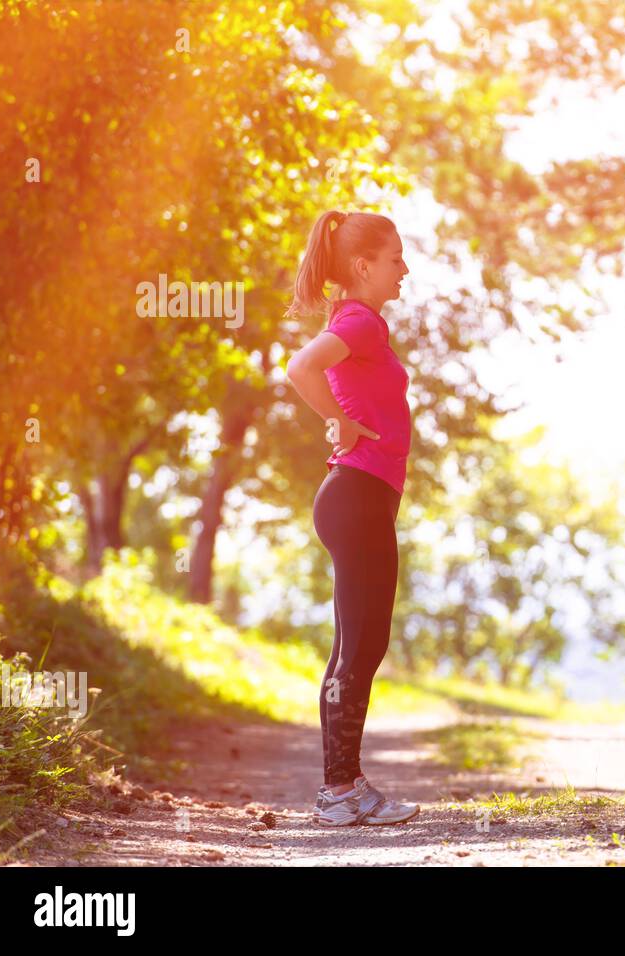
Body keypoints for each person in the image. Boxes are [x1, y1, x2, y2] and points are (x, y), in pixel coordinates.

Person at [285, 210, 419, 826]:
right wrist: (334, 420)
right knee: (358, 645)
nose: (404, 270)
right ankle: (339, 791)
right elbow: (300, 368)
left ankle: (344, 786)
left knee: (361, 643)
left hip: (361, 496)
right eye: (395, 260)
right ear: (364, 266)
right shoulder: (360, 320)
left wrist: (339, 419)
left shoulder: (356, 321)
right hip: (357, 494)